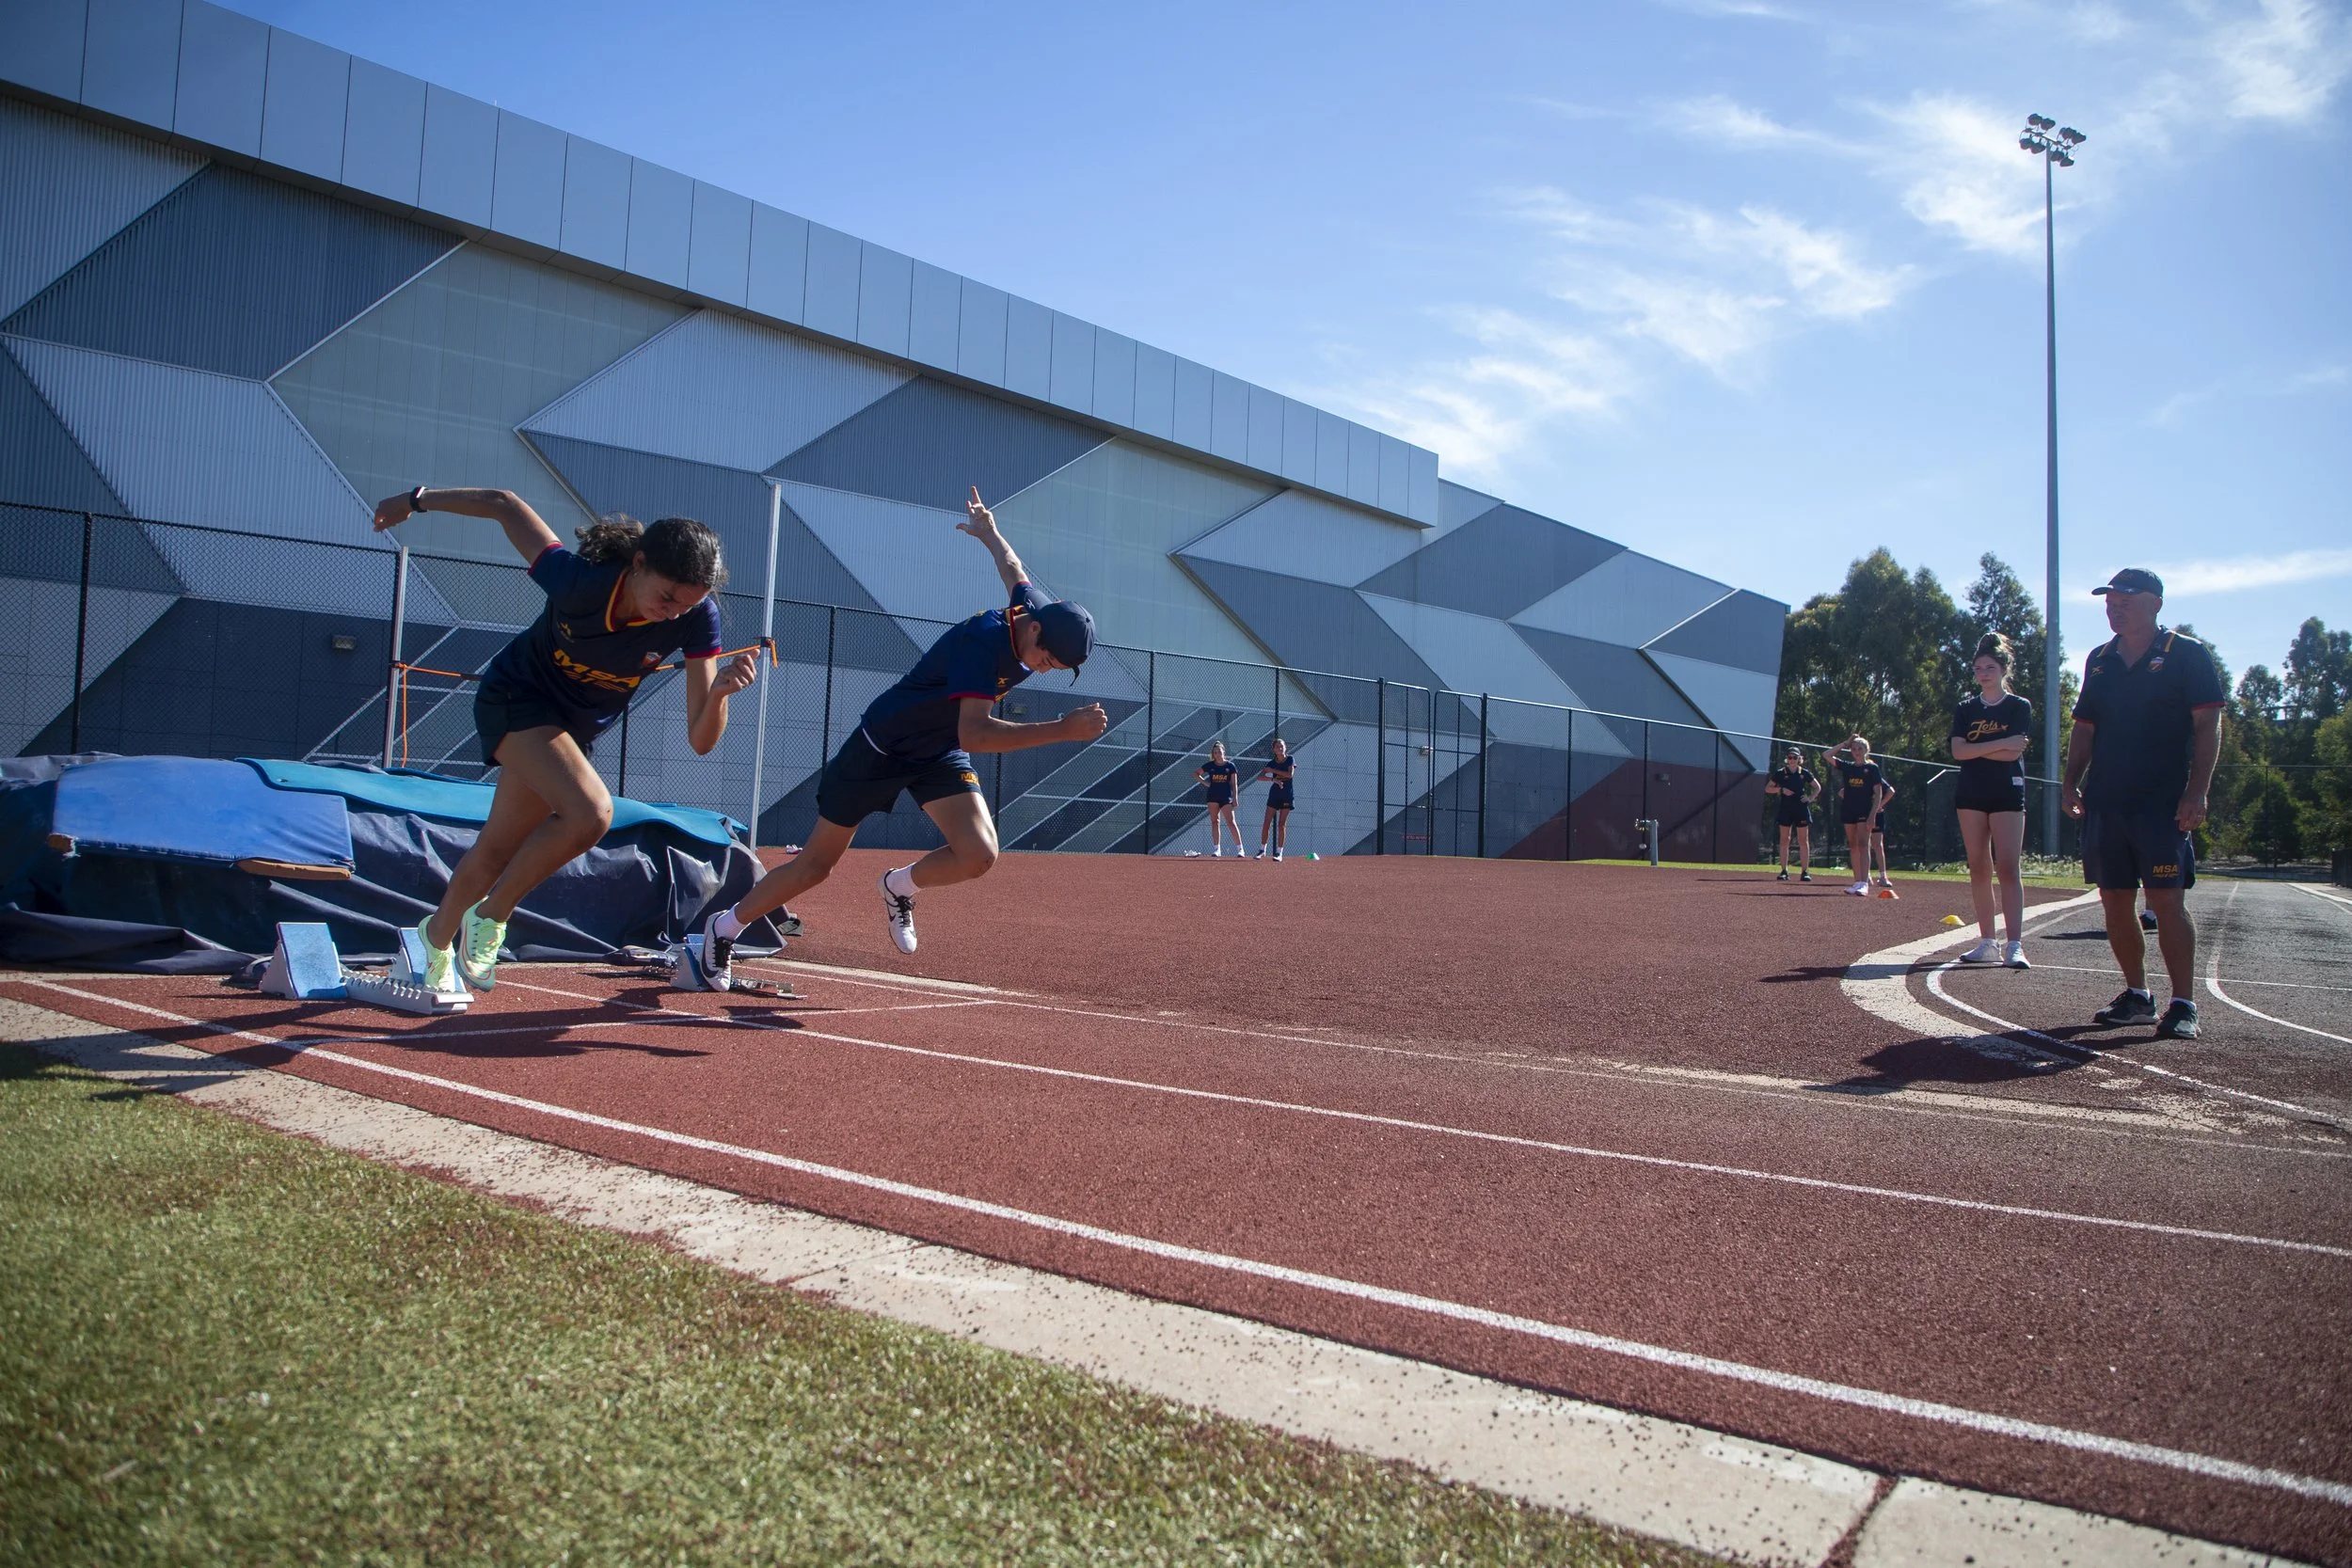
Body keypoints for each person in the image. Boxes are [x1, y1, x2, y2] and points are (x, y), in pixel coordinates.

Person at [694, 488, 1105, 980]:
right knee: (815, 866)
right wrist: (1061, 729)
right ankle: (723, 930)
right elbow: (974, 734)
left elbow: (1013, 568)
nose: (1043, 670)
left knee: (978, 855)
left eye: (1056, 669)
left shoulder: (1034, 610)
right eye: (1046, 659)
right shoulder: (984, 646)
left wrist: (989, 532)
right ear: (1033, 630)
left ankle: (900, 886)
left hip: (936, 751)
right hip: (882, 746)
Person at [369, 486, 757, 993]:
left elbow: (701, 740)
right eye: (666, 598)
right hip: (516, 699)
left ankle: (432, 941)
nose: (673, 613)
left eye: (688, 605)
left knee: (497, 847)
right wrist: (416, 500)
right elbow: (504, 504)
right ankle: (491, 917)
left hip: (570, 729)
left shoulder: (695, 619)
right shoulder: (580, 584)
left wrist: (722, 693)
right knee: (592, 813)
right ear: (637, 564)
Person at [2062, 567, 2225, 1039]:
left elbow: (2207, 726)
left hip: (2161, 803)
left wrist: (2197, 790)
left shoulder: (2186, 654)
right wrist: (2071, 782)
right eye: (2109, 600)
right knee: (2114, 902)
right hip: (2106, 802)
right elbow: (2085, 727)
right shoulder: (2099, 659)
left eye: (2125, 599)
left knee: (2166, 902)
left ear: (2155, 602)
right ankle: (2137, 995)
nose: (2114, 607)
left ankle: (2183, 1003)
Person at [1951, 632, 2033, 968]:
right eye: (1978, 668)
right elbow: (1958, 751)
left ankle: (2014, 944)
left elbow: (2015, 751)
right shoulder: (1965, 708)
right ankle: (1987, 942)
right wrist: (1996, 746)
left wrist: (1979, 751)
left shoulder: (2019, 706)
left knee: (2008, 867)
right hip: (1971, 792)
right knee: (1979, 866)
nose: (1983, 673)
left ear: (2004, 669)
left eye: (1989, 667)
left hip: (2007, 791)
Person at [1833, 736, 1894, 895]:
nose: (1856, 752)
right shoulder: (1847, 767)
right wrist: (1845, 743)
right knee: (1853, 846)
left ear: (1866, 750)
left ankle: (1864, 883)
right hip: (1848, 811)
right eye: (1853, 749)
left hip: (1864, 811)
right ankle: (1857, 882)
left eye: (1860, 748)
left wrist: (1873, 814)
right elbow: (1826, 755)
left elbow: (1879, 793)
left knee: (1863, 845)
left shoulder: (1872, 769)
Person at [1764, 746, 1820, 881]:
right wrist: (1781, 789)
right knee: (1785, 839)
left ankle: (1805, 871)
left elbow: (1817, 787)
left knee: (1803, 840)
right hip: (1786, 808)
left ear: (1799, 759)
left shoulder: (1804, 773)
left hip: (1801, 808)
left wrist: (1810, 798)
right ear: (1787, 759)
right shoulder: (1780, 773)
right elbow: (1767, 788)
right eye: (1790, 757)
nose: (1792, 760)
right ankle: (1784, 871)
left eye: (1795, 757)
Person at [1196, 742, 1240, 857]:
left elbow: (1234, 783)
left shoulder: (1230, 766)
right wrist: (1206, 783)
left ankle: (1240, 849)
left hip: (1226, 797)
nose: (1217, 754)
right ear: (1213, 754)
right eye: (1215, 752)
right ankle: (1217, 849)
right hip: (1213, 797)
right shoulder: (1210, 765)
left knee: (1231, 822)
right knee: (1215, 822)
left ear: (1223, 752)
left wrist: (1235, 797)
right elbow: (1196, 774)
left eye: (1219, 751)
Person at [1256, 736, 1296, 861]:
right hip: (1274, 795)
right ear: (1273, 750)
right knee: (1266, 822)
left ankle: (1279, 853)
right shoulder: (1271, 762)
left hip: (1286, 795)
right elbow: (1260, 777)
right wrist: (1273, 779)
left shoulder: (1290, 759)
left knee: (1281, 825)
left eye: (1281, 746)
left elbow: (1290, 775)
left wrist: (1273, 771)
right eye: (1277, 746)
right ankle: (1262, 850)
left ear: (1285, 747)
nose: (1279, 748)